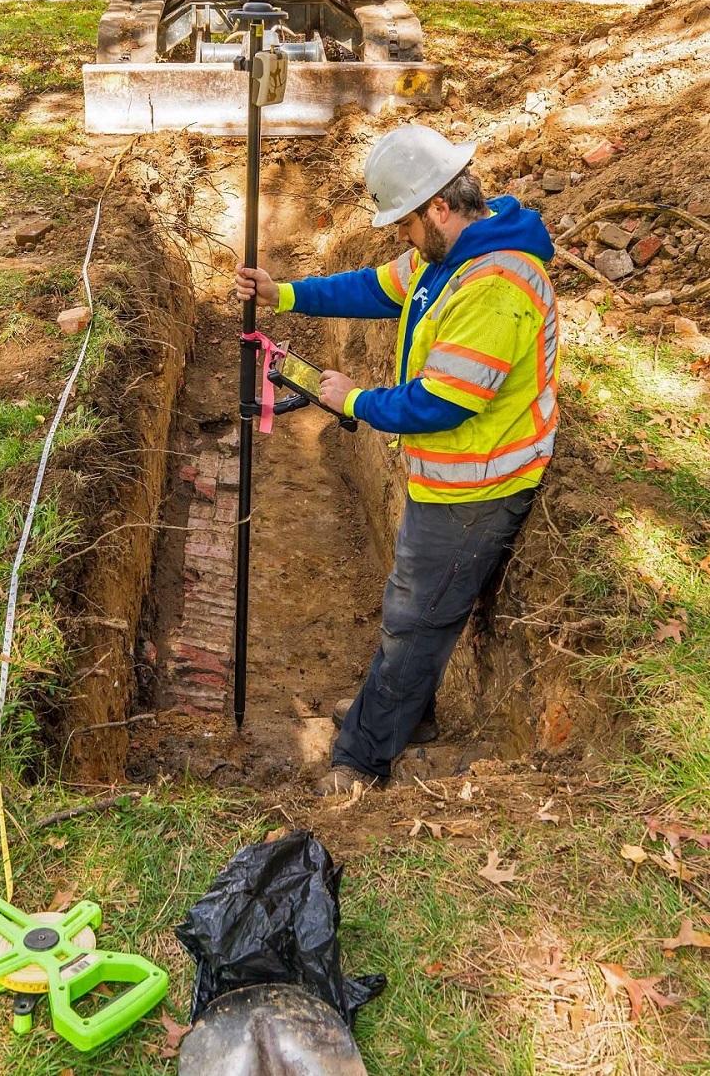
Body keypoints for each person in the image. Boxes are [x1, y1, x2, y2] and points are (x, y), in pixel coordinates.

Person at [235, 125, 559, 795]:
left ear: (437, 207)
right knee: (415, 605)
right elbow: (375, 289)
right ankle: (411, 716)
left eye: (404, 225)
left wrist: (357, 400)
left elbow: (445, 402)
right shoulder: (450, 253)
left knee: (417, 619)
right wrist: (284, 293)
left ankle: (362, 758)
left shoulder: (495, 284)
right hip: (451, 472)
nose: (400, 240)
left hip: (479, 487)